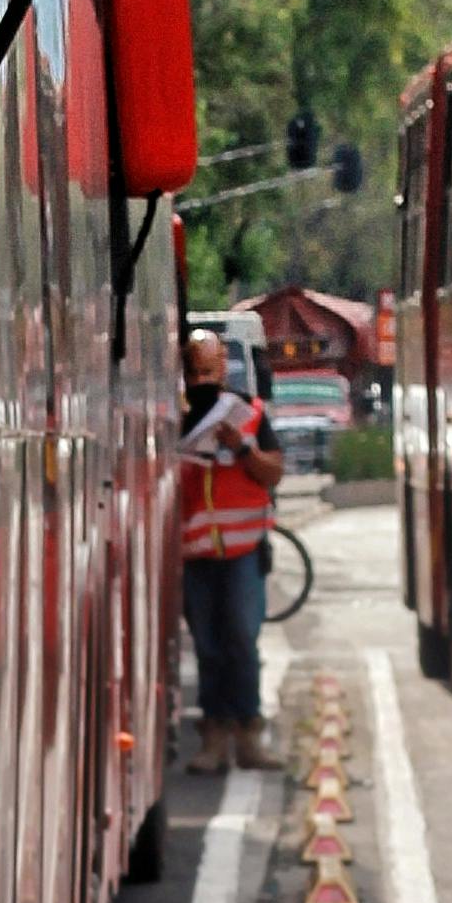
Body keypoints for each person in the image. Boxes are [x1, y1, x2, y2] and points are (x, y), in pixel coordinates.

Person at [179, 322, 279, 770]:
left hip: (242, 552)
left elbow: (273, 472)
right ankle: (215, 736)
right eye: (195, 369)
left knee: (241, 640)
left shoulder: (249, 414)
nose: (204, 377)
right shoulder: (172, 417)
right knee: (207, 646)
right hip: (196, 554)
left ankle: (249, 735)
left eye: (210, 366)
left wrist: (242, 448)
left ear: (224, 365)